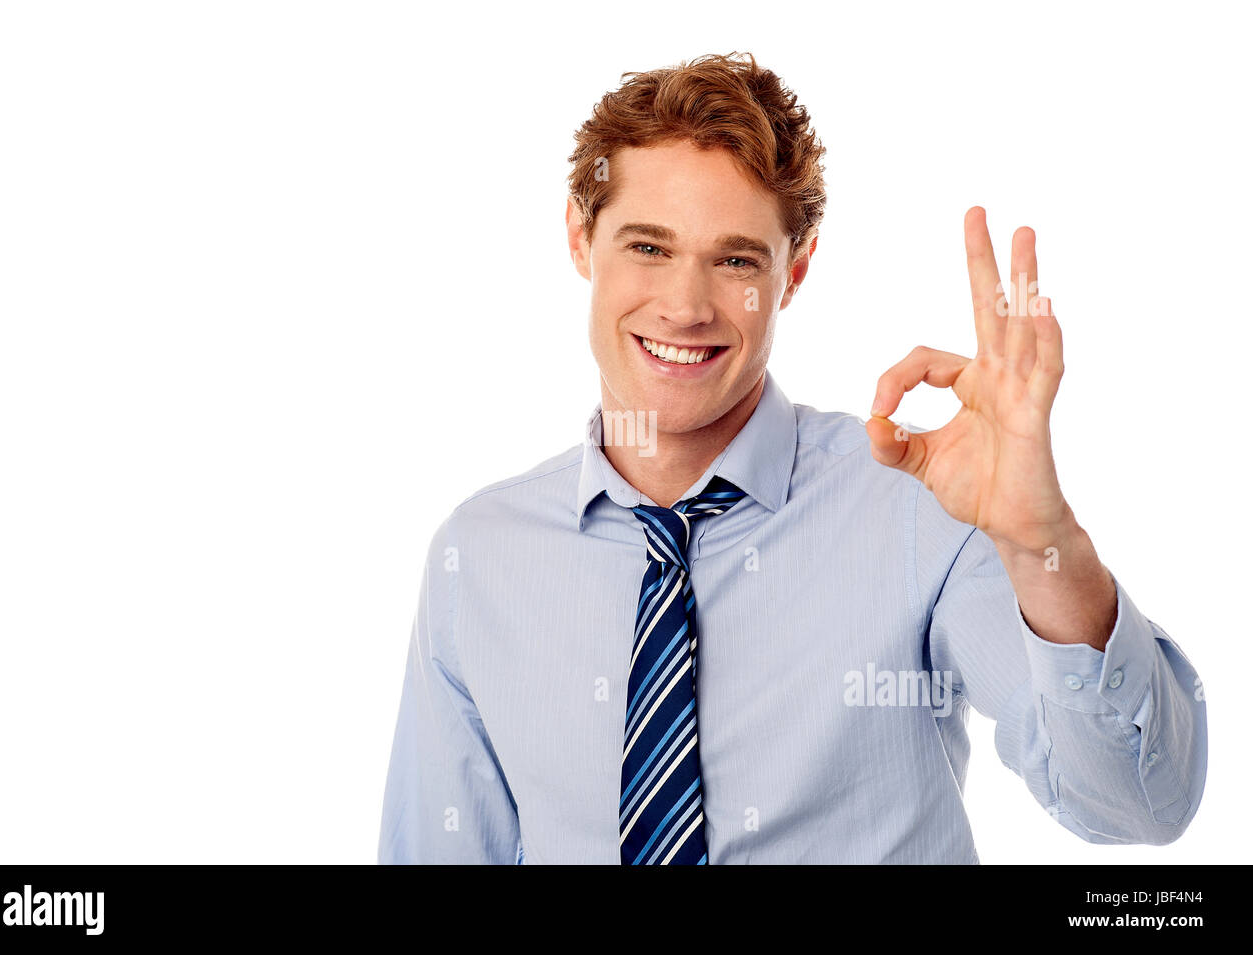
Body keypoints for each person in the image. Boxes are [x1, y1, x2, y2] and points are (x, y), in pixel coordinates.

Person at [376, 52, 1207, 864]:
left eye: (736, 259)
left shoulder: (917, 505)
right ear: (579, 237)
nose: (685, 306)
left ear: (795, 270)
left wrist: (1039, 540)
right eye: (648, 247)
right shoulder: (477, 556)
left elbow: (1141, 804)